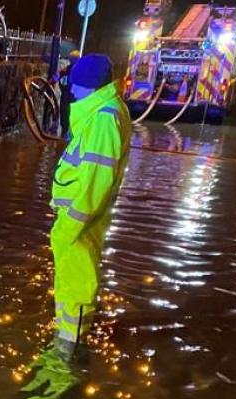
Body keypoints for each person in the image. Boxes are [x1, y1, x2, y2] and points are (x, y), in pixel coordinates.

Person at [49, 54, 132, 357]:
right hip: (78, 221)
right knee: (72, 283)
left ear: (89, 88)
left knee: (78, 286)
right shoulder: (104, 110)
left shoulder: (101, 119)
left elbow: (94, 183)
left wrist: (66, 228)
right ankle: (67, 341)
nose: (73, 93)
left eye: (77, 87)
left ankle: (67, 357)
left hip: (78, 223)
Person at [57, 50, 81, 139]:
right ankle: (64, 131)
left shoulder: (80, 70)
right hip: (67, 94)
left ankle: (68, 133)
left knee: (70, 114)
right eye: (71, 59)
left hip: (74, 96)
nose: (72, 60)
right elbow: (59, 75)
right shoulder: (68, 68)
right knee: (64, 113)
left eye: (74, 59)